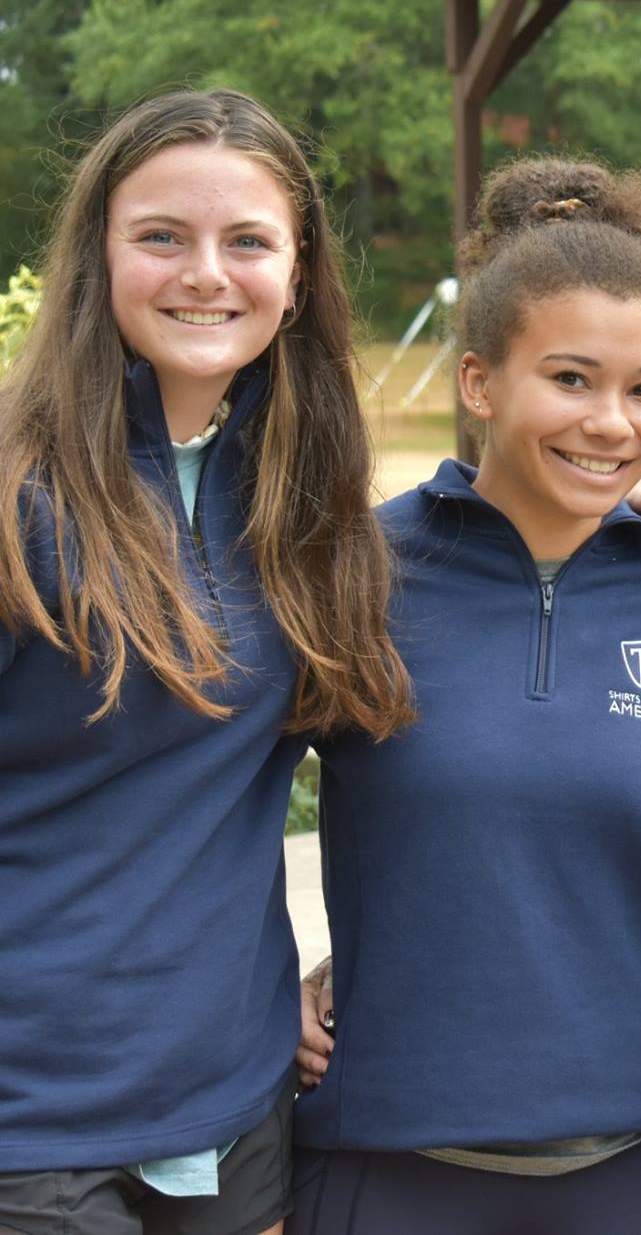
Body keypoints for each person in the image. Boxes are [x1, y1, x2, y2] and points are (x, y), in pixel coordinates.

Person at [285, 158, 641, 1235]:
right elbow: (207, 803)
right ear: (481, 382)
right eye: (571, 380)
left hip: (630, 1165)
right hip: (390, 1158)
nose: (612, 423)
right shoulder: (357, 571)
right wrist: (271, 976)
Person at [0, 88, 419, 1235]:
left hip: (234, 1113)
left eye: (247, 241)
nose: (205, 274)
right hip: (31, 1133)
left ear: (297, 279)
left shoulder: (308, 507)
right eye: (160, 238)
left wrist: (619, 516)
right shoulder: (12, 495)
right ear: (98, 256)